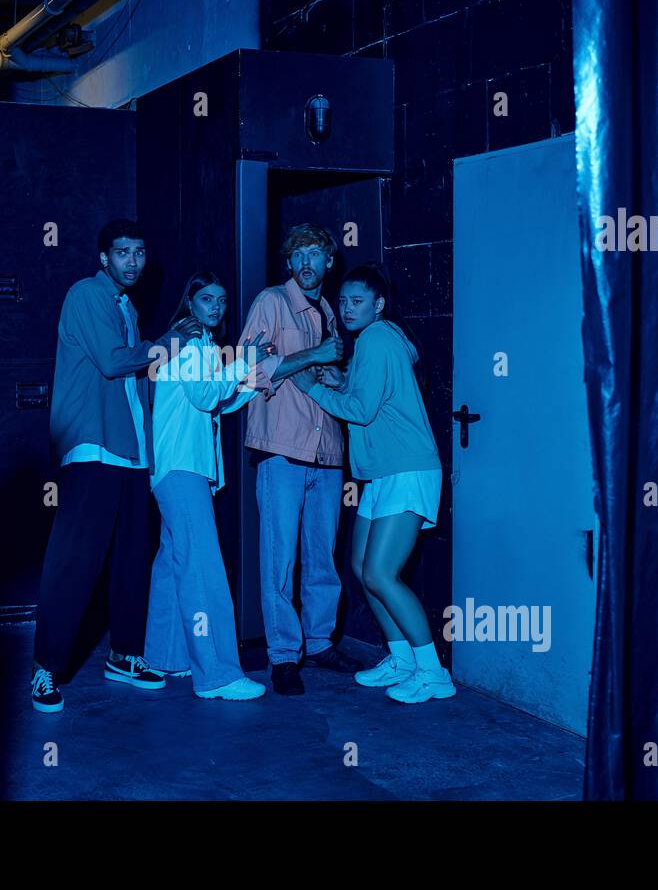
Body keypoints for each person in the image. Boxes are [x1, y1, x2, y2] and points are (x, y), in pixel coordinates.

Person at [30, 220, 203, 713]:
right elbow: (111, 362)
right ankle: (45, 668)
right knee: (74, 562)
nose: (133, 261)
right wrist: (168, 341)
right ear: (104, 258)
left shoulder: (125, 306)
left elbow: (135, 380)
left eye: (140, 251)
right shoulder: (87, 294)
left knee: (131, 558)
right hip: (93, 448)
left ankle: (125, 655)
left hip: (130, 452)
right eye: (123, 252)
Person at [288, 262, 455, 704]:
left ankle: (433, 672)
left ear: (379, 305)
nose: (347, 308)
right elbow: (373, 401)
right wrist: (341, 382)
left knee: (382, 572)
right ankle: (402, 659)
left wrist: (311, 388)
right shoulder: (370, 342)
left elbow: (360, 412)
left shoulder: (378, 339)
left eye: (357, 300)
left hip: (407, 469)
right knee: (363, 571)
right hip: (382, 472)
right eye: (342, 301)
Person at [236, 223, 363, 696]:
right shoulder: (271, 302)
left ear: (330, 263)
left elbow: (324, 375)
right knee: (279, 559)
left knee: (322, 558)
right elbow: (247, 371)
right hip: (282, 451)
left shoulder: (330, 310)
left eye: (316, 255)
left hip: (326, 451)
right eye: (299, 255)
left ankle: (319, 641)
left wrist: (334, 372)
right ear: (289, 263)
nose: (307, 263)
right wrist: (312, 355)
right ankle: (284, 656)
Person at [145, 271, 277, 701]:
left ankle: (167, 658)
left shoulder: (195, 343)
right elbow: (205, 396)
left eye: (221, 299)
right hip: (181, 470)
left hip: (178, 469)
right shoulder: (188, 341)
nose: (216, 306)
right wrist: (245, 360)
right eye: (207, 299)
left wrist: (250, 381)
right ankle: (217, 674)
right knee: (202, 567)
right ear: (191, 302)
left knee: (173, 563)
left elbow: (213, 401)